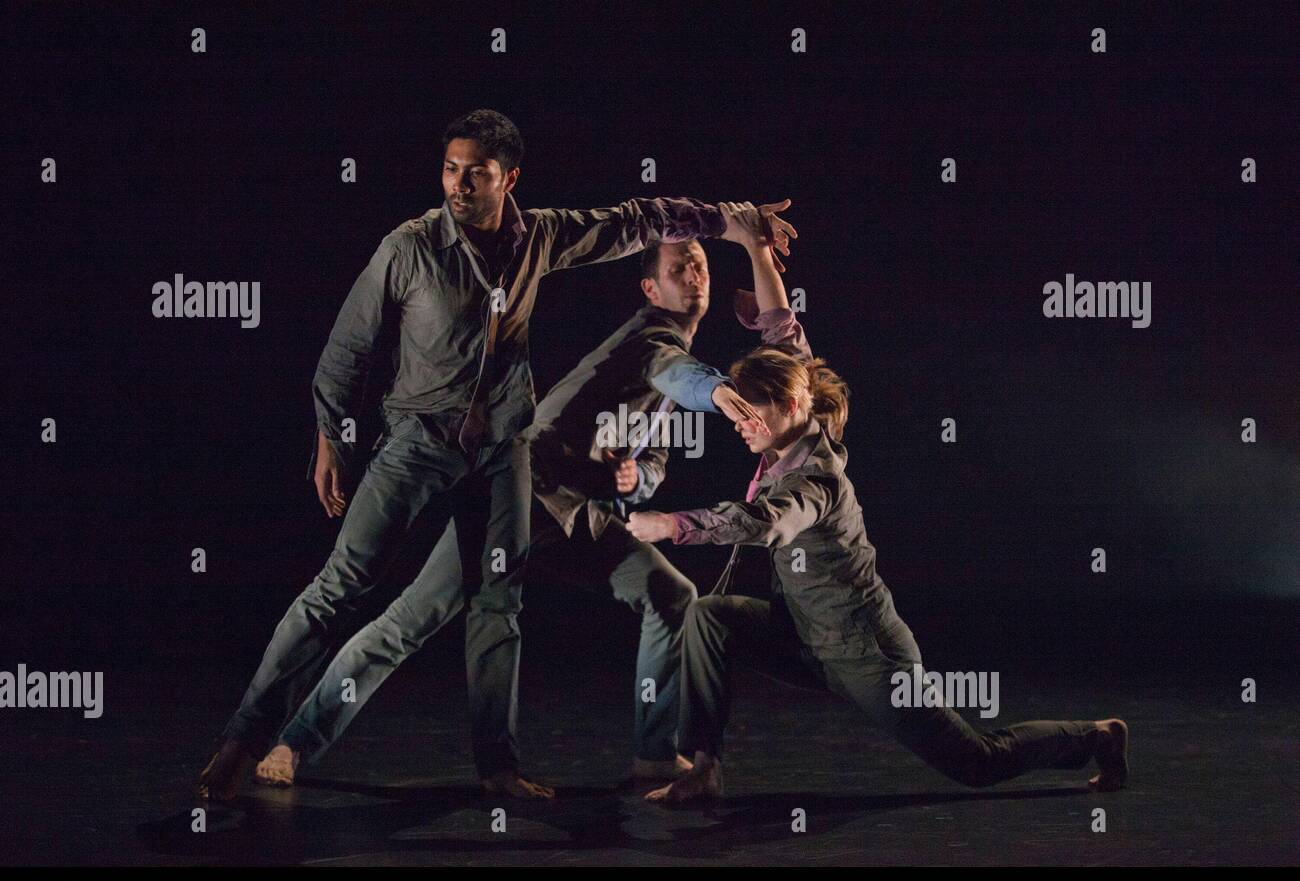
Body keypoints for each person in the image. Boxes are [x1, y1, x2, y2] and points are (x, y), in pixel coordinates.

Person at [197, 106, 797, 802]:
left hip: (523, 473)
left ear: (508, 179)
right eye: (451, 170)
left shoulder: (539, 240)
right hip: (438, 450)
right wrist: (331, 434)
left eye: (475, 174)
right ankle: (268, 740)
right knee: (376, 605)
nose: (458, 186)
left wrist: (731, 219)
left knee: (579, 601)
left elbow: (635, 218)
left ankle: (553, 766)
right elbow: (350, 345)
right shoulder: (416, 249)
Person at [626, 249, 1129, 804]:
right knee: (708, 617)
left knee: (977, 762)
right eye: (736, 411)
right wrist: (755, 247)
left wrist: (674, 524)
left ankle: (1098, 737)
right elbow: (784, 333)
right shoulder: (793, 411)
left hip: (864, 653)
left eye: (749, 412)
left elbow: (766, 523)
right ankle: (704, 768)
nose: (740, 424)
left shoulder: (815, 479)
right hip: (802, 635)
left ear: (791, 405)